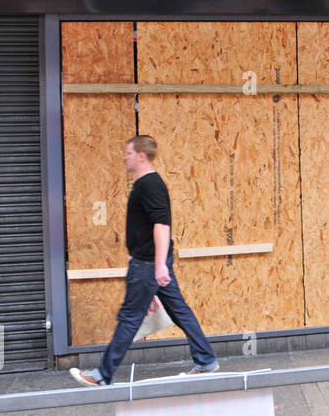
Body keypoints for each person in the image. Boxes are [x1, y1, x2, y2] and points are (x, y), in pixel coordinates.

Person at [71, 135, 219, 385]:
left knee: (129, 318)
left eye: (128, 153)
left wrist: (159, 263)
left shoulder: (150, 185)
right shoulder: (145, 184)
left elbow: (162, 225)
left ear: (141, 156)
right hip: (148, 261)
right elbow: (148, 225)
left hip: (149, 266)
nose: (124, 157)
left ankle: (102, 375)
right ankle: (205, 360)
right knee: (180, 311)